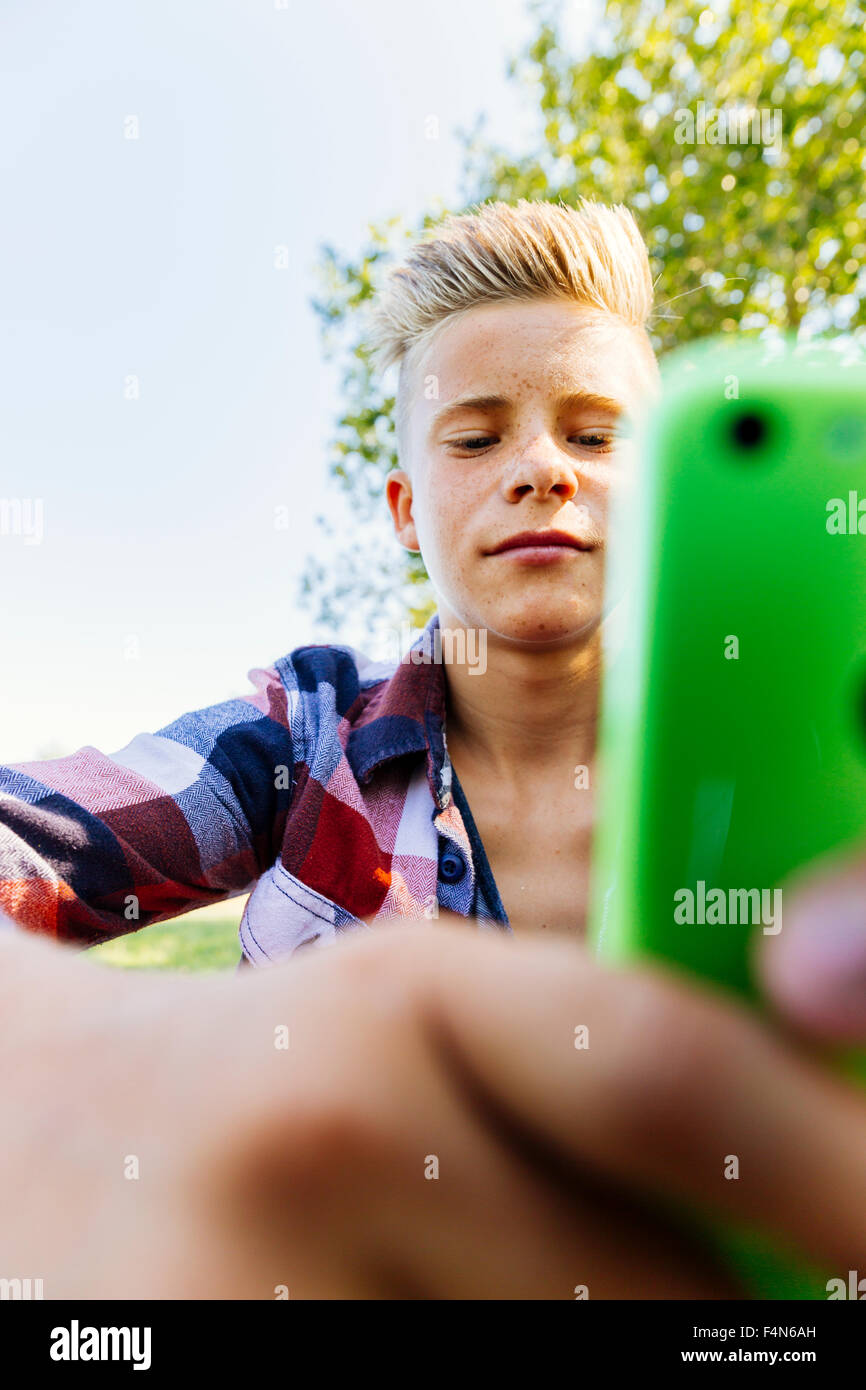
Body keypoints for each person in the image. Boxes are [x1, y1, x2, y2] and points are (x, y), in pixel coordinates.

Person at [1, 199, 864, 1298]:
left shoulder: (825, 750)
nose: (543, 466)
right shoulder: (300, 734)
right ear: (406, 509)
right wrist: (81, 1053)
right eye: (476, 435)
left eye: (597, 435)